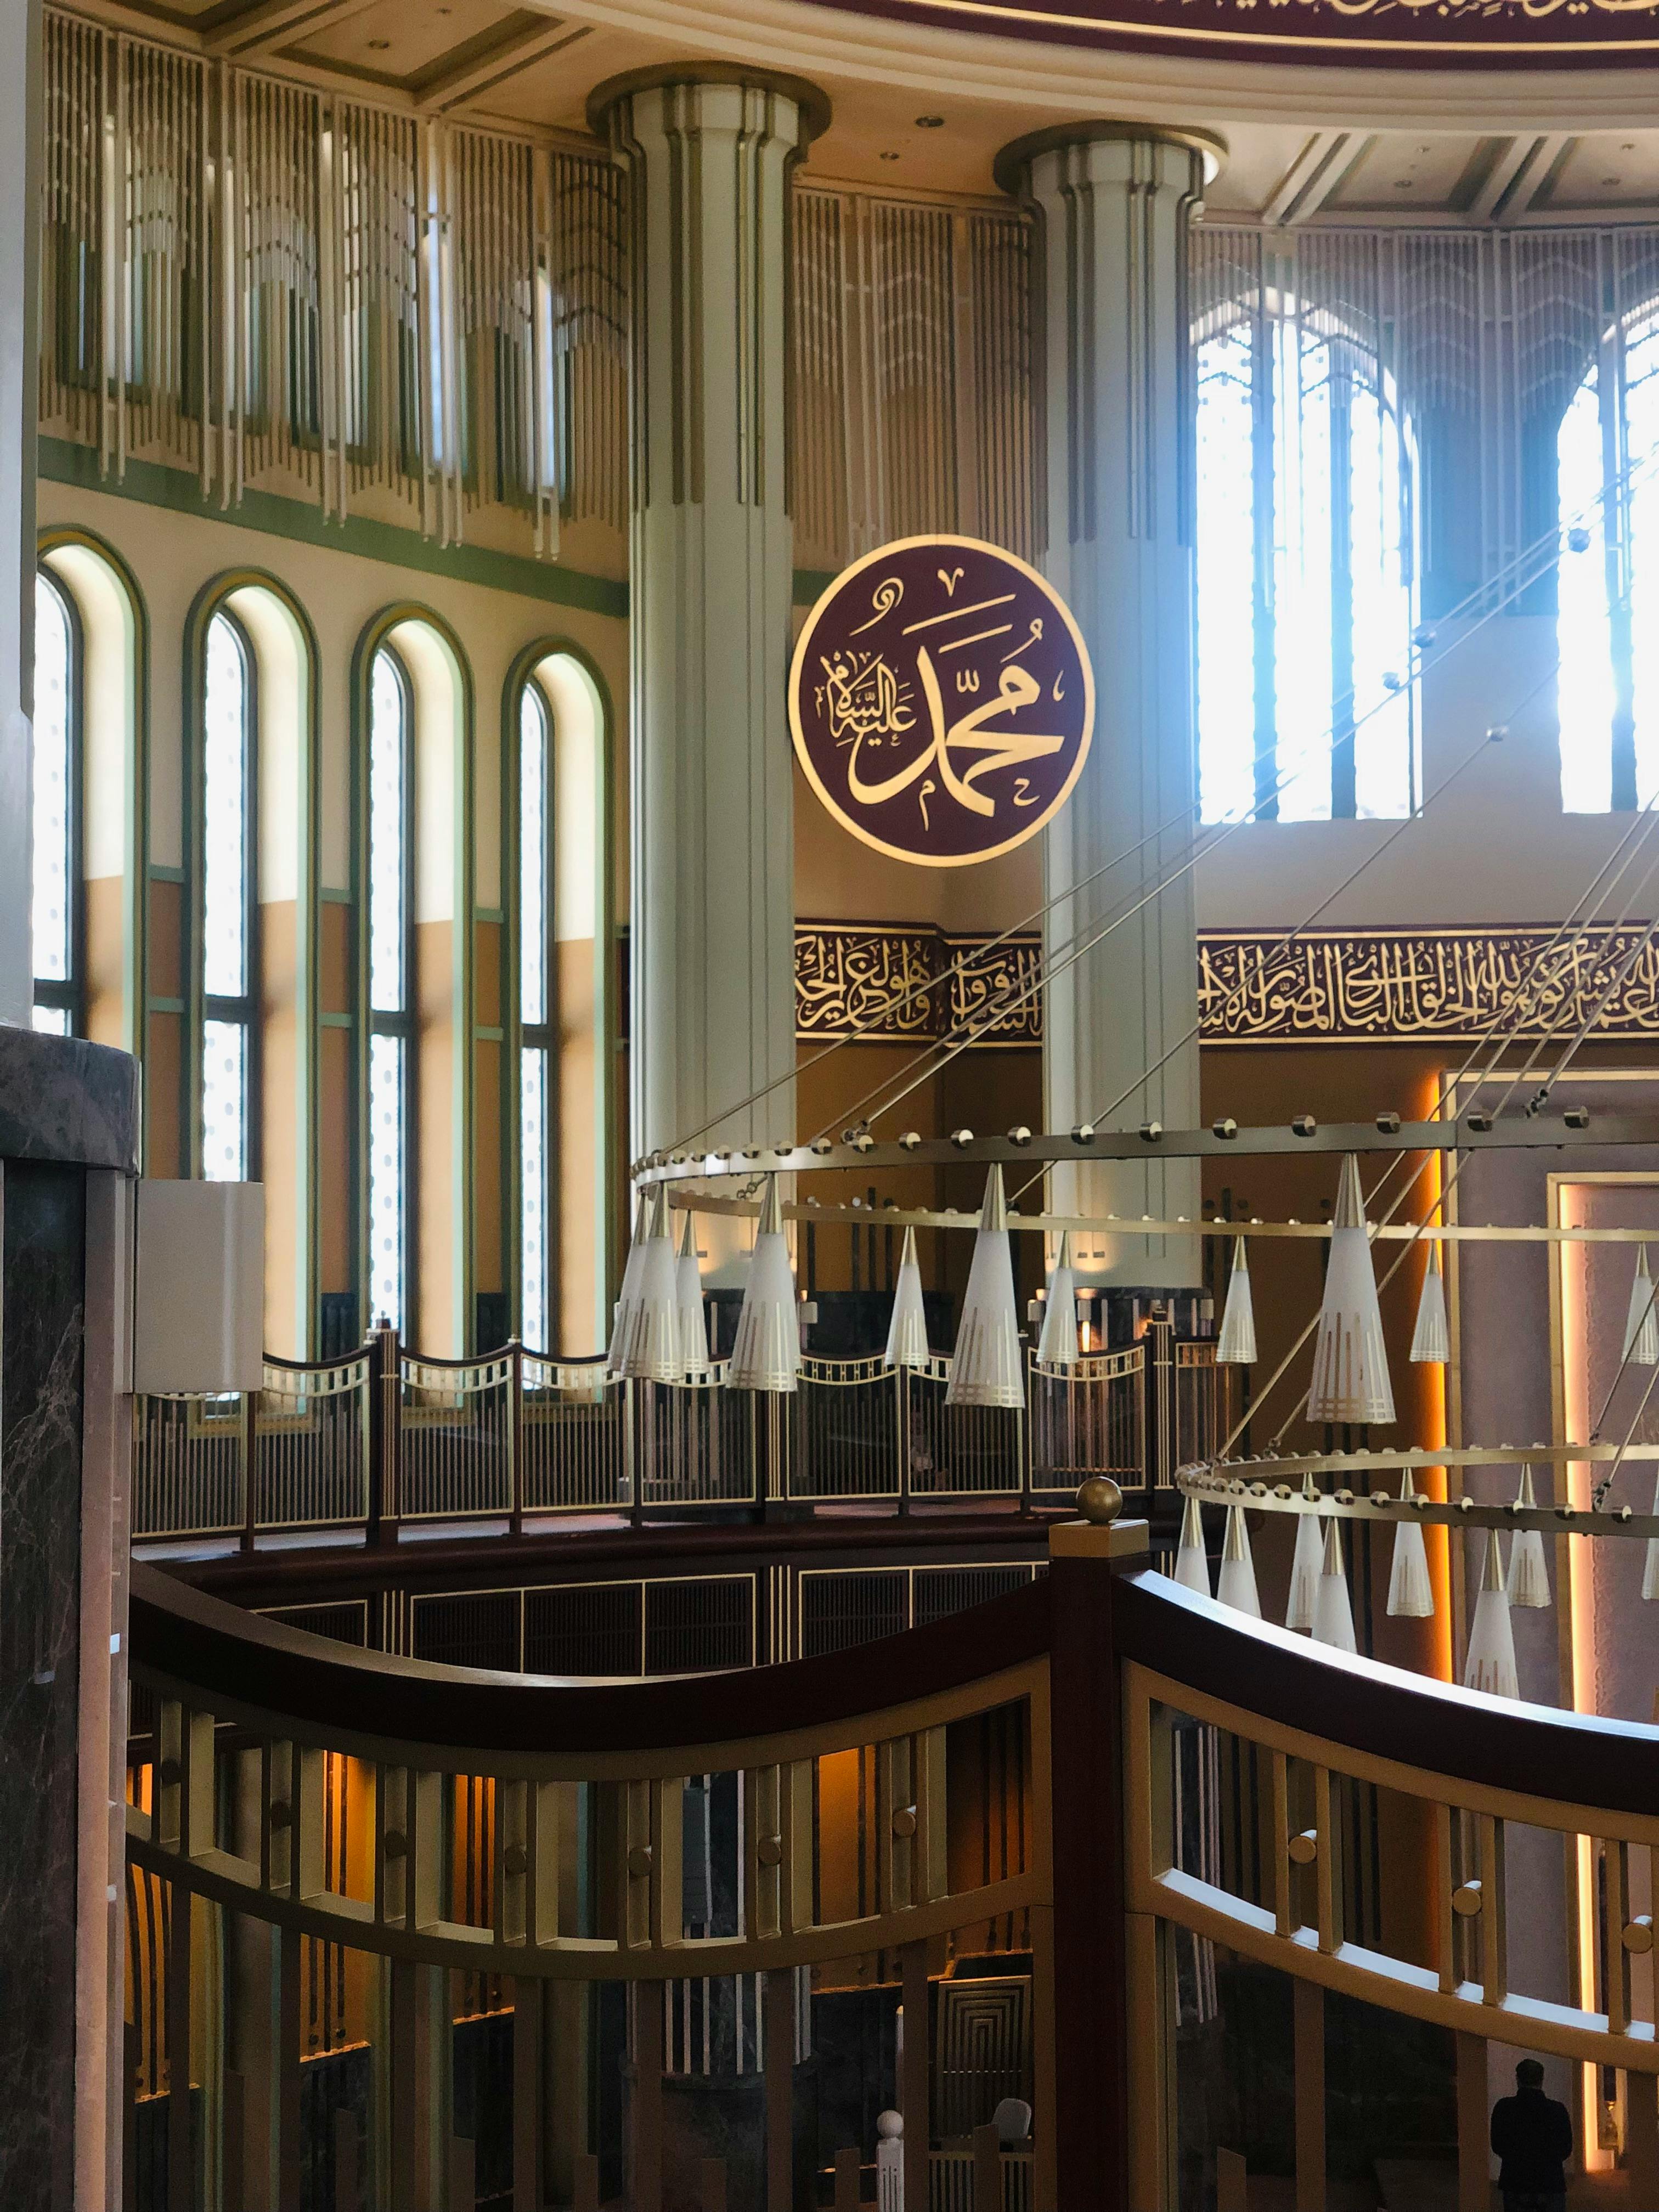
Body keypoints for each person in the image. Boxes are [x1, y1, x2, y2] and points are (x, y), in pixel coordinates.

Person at [1490, 2058, 1572, 2212]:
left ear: (1518, 2079)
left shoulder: (1504, 2108)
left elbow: (1498, 2145)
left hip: (1515, 2181)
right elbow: (1566, 2148)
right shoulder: (1557, 2110)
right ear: (1542, 2079)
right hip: (1550, 2182)